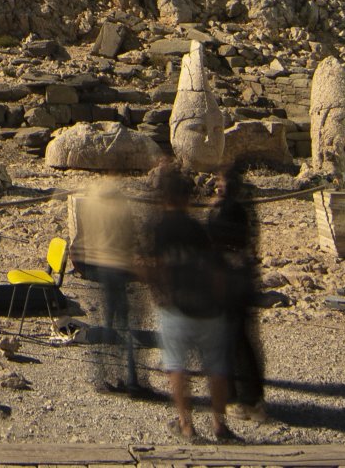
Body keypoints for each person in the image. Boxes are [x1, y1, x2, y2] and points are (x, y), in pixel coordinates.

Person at [141, 166, 232, 441]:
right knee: (215, 368)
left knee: (177, 367)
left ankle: (186, 423)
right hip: (208, 305)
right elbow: (216, 268)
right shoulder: (198, 228)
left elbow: (152, 266)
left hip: (176, 304)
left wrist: (156, 291)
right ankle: (219, 423)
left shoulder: (157, 228)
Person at [208, 161, 267, 422]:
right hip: (240, 275)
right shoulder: (244, 209)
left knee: (231, 342)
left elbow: (213, 242)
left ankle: (239, 398)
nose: (216, 185)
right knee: (240, 341)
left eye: (220, 181)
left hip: (225, 278)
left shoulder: (223, 211)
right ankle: (249, 398)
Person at [73, 176, 143, 393]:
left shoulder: (94, 208)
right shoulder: (120, 211)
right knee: (122, 324)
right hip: (118, 268)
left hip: (103, 266)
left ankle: (110, 376)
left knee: (110, 323)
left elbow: (82, 240)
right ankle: (128, 376)